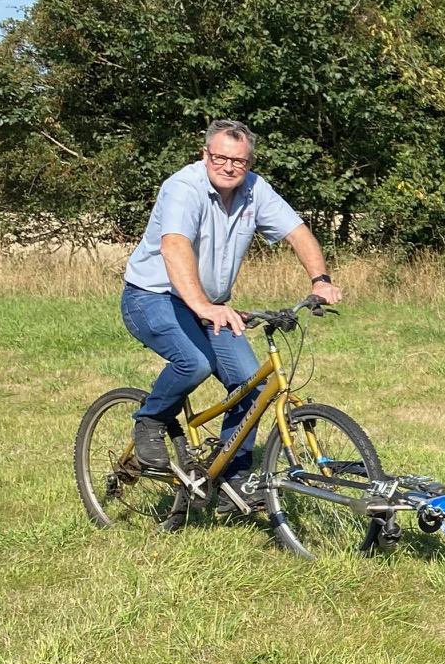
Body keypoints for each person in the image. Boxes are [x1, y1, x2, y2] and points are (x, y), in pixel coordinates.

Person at [120, 120, 344, 494]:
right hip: (152, 297)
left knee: (250, 386)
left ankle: (234, 479)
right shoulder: (183, 188)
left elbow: (297, 232)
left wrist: (320, 279)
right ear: (204, 155)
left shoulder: (255, 191)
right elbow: (174, 247)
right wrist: (203, 306)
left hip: (210, 304)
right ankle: (150, 420)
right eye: (220, 157)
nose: (228, 166)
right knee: (195, 362)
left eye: (238, 161)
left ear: (250, 164)